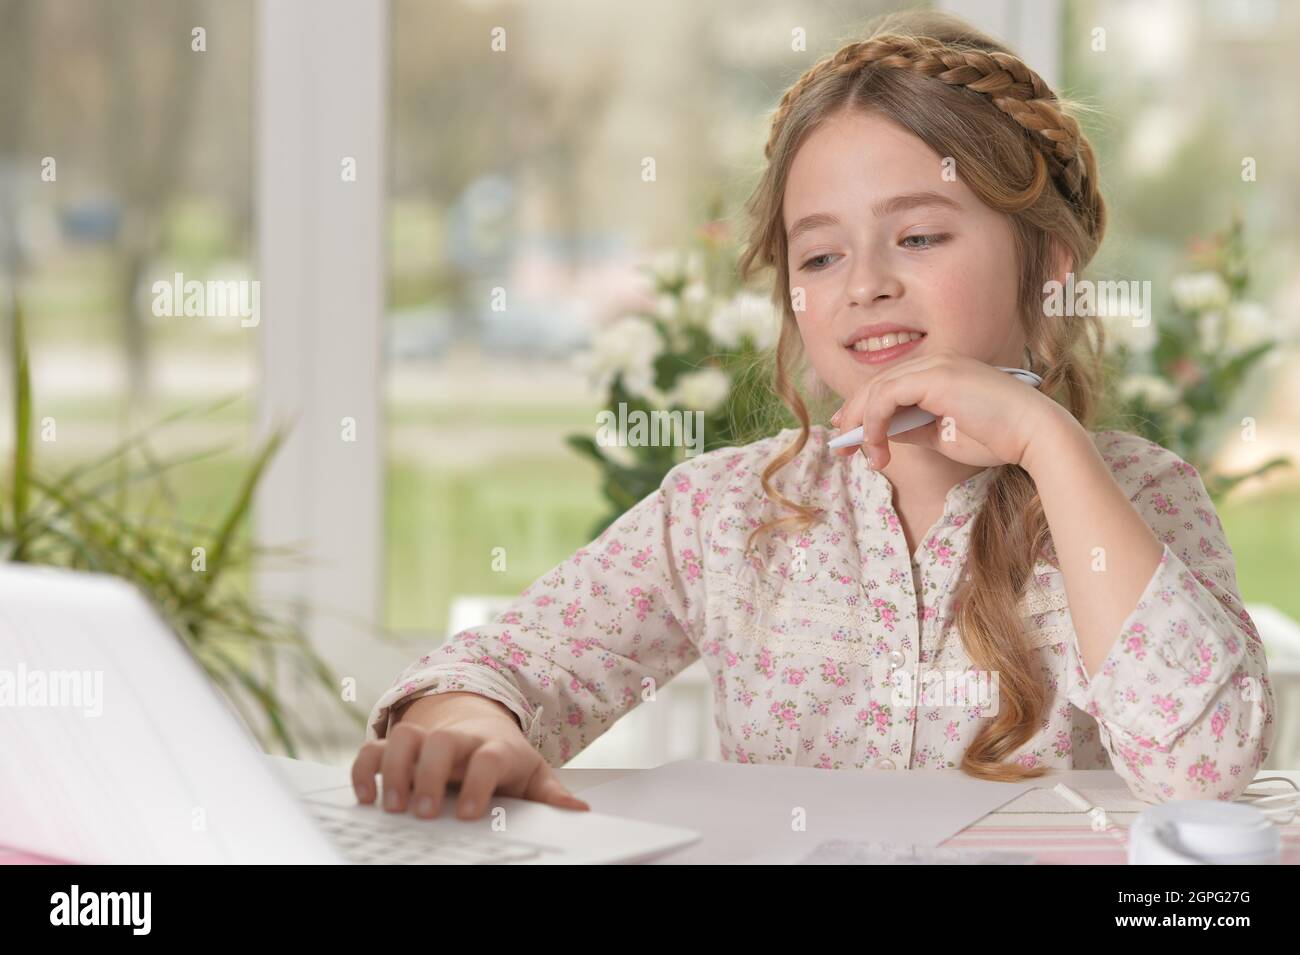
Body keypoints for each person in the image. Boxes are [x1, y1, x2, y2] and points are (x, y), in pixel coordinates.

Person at [352, 9, 1276, 822]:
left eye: (918, 236)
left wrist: (1047, 445)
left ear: (1048, 268)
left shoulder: (1139, 495)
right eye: (822, 257)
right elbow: (505, 666)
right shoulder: (724, 512)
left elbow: (1204, 769)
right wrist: (472, 726)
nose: (867, 284)